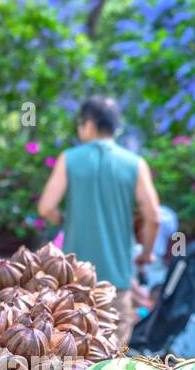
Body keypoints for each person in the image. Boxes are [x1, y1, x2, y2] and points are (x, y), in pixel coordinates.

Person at [37, 96, 159, 348]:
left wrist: (66, 221)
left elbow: (46, 207)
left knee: (74, 358)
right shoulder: (135, 164)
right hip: (117, 283)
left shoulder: (69, 159)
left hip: (74, 282)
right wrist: (145, 254)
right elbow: (153, 217)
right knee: (113, 360)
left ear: (89, 125)